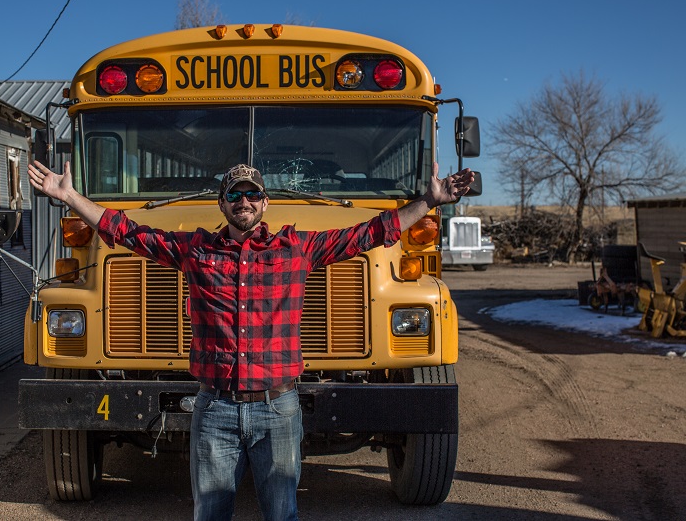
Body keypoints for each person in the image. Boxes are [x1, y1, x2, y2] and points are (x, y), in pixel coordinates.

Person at [28, 160, 474, 521]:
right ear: (223, 204)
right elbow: (124, 231)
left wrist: (429, 201)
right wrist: (68, 196)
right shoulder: (196, 251)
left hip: (277, 407)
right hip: (215, 407)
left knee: (282, 513)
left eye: (252, 194)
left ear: (264, 203)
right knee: (211, 512)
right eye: (235, 194)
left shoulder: (295, 250)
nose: (244, 201)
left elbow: (372, 233)